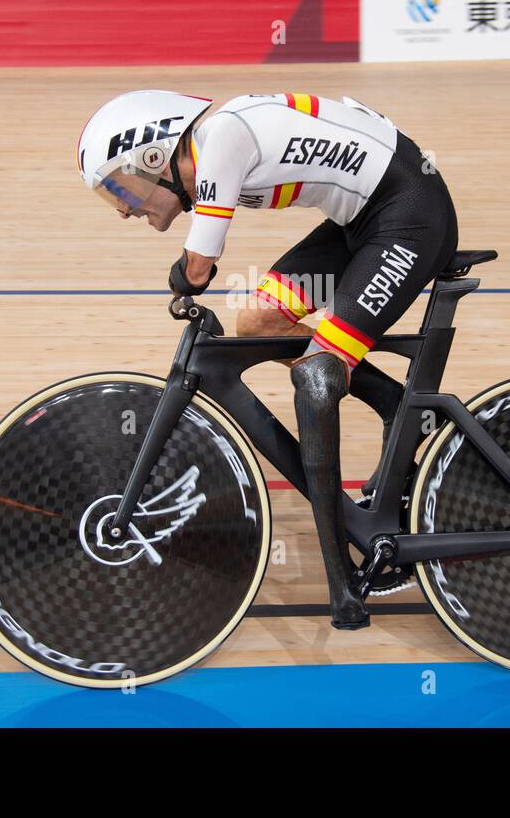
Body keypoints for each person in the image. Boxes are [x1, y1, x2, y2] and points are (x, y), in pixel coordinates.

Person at [76, 91, 458, 630]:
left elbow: (202, 261)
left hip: (409, 220)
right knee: (260, 324)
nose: (120, 207)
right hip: (365, 222)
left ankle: (343, 576)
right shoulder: (221, 140)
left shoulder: (224, 138)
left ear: (154, 158)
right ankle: (396, 403)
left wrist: (187, 275)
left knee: (318, 375)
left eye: (118, 187)